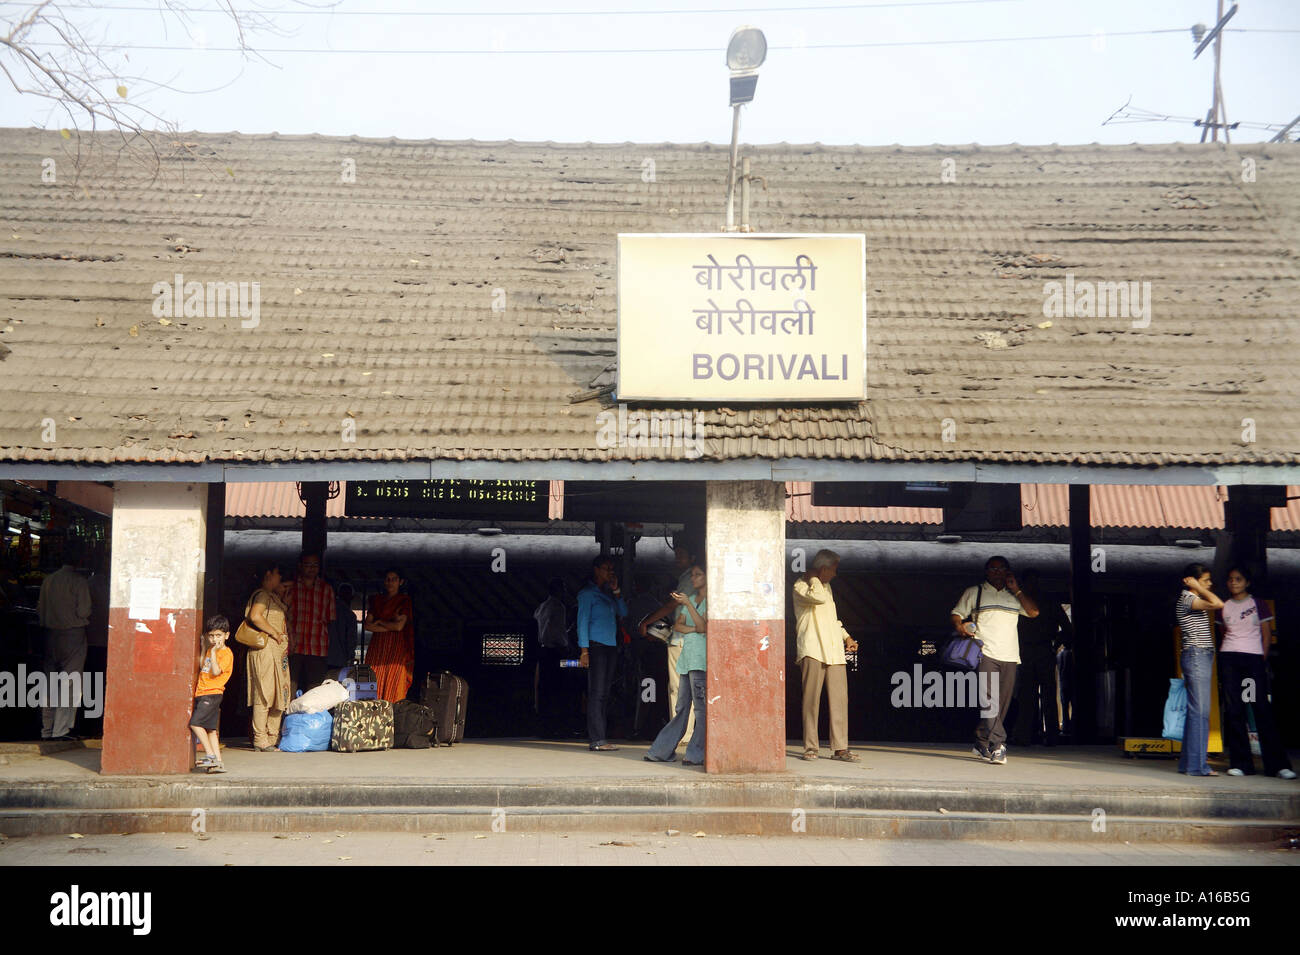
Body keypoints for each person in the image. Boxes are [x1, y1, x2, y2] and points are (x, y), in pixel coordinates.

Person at [951, 556, 1038, 765]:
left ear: (1008, 572)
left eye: (1002, 569)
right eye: (993, 569)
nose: (997, 572)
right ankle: (998, 745)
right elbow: (956, 614)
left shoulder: (1014, 596)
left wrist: (1016, 589)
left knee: (1002, 704)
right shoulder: (975, 592)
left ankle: (981, 740)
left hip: (1010, 656)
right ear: (986, 572)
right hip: (985, 653)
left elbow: (1034, 612)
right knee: (989, 701)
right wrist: (960, 626)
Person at [1216, 567, 1295, 779]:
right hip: (1230, 660)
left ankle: (1277, 766)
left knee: (1259, 708)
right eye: (1231, 579)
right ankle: (1241, 764)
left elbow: (1266, 634)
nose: (1234, 583)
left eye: (1238, 579)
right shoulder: (1223, 606)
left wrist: (1261, 659)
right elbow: (1224, 633)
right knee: (1234, 711)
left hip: (1252, 661)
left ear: (1247, 583)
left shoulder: (1258, 604)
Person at [792, 549, 861, 762]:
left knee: (839, 701)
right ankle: (810, 747)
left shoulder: (827, 587)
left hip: (833, 651)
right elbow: (818, 599)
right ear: (823, 569)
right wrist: (813, 577)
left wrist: (847, 637)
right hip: (812, 649)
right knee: (811, 701)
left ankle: (840, 748)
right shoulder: (801, 586)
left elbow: (833, 619)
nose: (835, 574)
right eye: (833, 569)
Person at [644, 563, 708, 766]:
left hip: (700, 661)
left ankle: (694, 754)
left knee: (700, 710)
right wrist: (694, 628)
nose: (693, 578)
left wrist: (689, 607)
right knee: (682, 708)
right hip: (686, 660)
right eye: (693, 575)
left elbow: (703, 626)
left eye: (698, 575)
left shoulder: (709, 601)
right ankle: (661, 751)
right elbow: (679, 625)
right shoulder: (692, 601)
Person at [639, 544, 697, 745]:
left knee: (678, 688)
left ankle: (681, 734)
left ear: (693, 557)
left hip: (682, 641)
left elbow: (673, 605)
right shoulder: (690, 578)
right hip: (691, 640)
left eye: (681, 554)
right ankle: (685, 732)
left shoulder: (691, 578)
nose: (677, 559)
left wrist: (647, 621)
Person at [1009, 569, 1072, 746]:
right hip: (1034, 650)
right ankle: (1041, 734)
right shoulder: (1045, 602)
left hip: (1037, 650)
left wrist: (1054, 644)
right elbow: (1067, 629)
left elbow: (1067, 630)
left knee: (1038, 695)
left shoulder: (1037, 602)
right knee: (1034, 695)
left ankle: (1034, 735)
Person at [1174, 563, 1224, 777]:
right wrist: (1198, 587)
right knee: (1200, 712)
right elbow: (1218, 603)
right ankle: (1197, 766)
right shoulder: (1188, 598)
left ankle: (1189, 764)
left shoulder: (1191, 599)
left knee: (1198, 712)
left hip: (1199, 655)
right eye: (1206, 580)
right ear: (1191, 581)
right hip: (1196, 654)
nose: (1210, 584)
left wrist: (1199, 587)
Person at [36, 550, 92, 741]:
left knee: (50, 682)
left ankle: (47, 729)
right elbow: (84, 611)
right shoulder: (79, 582)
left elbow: (40, 609)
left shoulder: (48, 580)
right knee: (70, 682)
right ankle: (61, 730)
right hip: (72, 634)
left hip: (50, 634)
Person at [577, 555, 627, 752]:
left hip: (610, 646)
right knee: (596, 693)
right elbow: (582, 622)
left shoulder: (607, 594)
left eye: (612, 569)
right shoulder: (587, 594)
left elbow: (623, 612)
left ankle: (601, 736)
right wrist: (584, 651)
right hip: (595, 646)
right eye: (606, 568)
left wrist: (616, 590)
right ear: (596, 570)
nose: (610, 572)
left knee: (604, 693)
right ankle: (597, 739)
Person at [245, 562, 291, 752]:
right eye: (279, 575)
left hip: (278, 651)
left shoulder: (272, 596)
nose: (281, 579)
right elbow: (255, 616)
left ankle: (272, 736)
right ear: (269, 574)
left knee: (280, 694)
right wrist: (274, 633)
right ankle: (260, 738)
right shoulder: (262, 595)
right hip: (266, 649)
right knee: (265, 694)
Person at [285, 552, 335, 696]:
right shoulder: (291, 588)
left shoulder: (326, 590)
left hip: (317, 647)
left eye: (315, 565)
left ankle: (312, 719)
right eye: (307, 565)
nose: (311, 569)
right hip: (292, 646)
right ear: (300, 566)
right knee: (289, 686)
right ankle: (286, 718)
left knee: (314, 691)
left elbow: (330, 620)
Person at [365, 567, 414, 703]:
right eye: (388, 579)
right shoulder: (377, 601)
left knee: (394, 682)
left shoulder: (404, 601)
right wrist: (389, 625)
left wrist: (380, 622)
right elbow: (367, 625)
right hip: (377, 647)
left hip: (395, 648)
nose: (390, 582)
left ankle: (392, 719)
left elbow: (399, 627)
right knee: (374, 679)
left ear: (401, 582)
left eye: (394, 579)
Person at [190, 615, 233, 773]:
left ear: (226, 635)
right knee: (210, 730)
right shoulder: (210, 650)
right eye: (212, 636)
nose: (215, 639)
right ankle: (218, 763)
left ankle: (210, 755)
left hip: (212, 693)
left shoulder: (226, 654)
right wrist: (204, 648)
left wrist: (214, 653)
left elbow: (215, 671)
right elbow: (204, 666)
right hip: (203, 692)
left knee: (195, 723)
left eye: (218, 635)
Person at [533, 577, 570, 738]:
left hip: (543, 650)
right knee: (559, 688)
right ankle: (555, 726)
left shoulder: (541, 607)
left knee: (544, 688)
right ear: (558, 590)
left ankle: (543, 725)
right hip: (556, 650)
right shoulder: (558, 607)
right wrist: (565, 645)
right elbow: (556, 630)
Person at [327, 582, 358, 672]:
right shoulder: (350, 615)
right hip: (340, 660)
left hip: (323, 658)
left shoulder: (328, 609)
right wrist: (350, 657)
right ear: (352, 597)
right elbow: (351, 639)